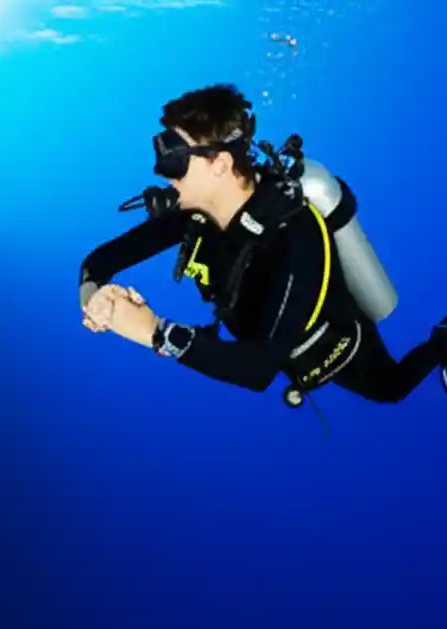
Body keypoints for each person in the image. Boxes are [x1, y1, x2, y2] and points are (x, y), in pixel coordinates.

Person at [78, 83, 447, 406]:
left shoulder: (296, 235)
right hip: (263, 340)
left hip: (328, 340)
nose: (162, 174)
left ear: (220, 164)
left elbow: (258, 370)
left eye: (174, 160)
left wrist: (154, 332)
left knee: (390, 389)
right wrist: (93, 300)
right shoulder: (193, 217)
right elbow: (100, 261)